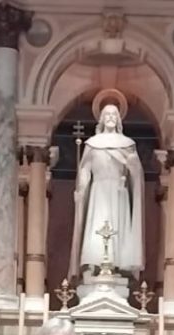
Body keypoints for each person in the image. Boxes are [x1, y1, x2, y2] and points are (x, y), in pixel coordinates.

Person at [72, 102, 143, 273]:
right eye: (107, 114)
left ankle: (117, 266)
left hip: (119, 192)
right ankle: (94, 264)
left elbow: (136, 174)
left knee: (118, 227)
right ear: (102, 119)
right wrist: (81, 189)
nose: (110, 117)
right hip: (98, 191)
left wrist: (133, 167)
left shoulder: (127, 144)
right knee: (96, 223)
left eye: (114, 114)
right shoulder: (92, 143)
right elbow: (85, 169)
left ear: (119, 120)